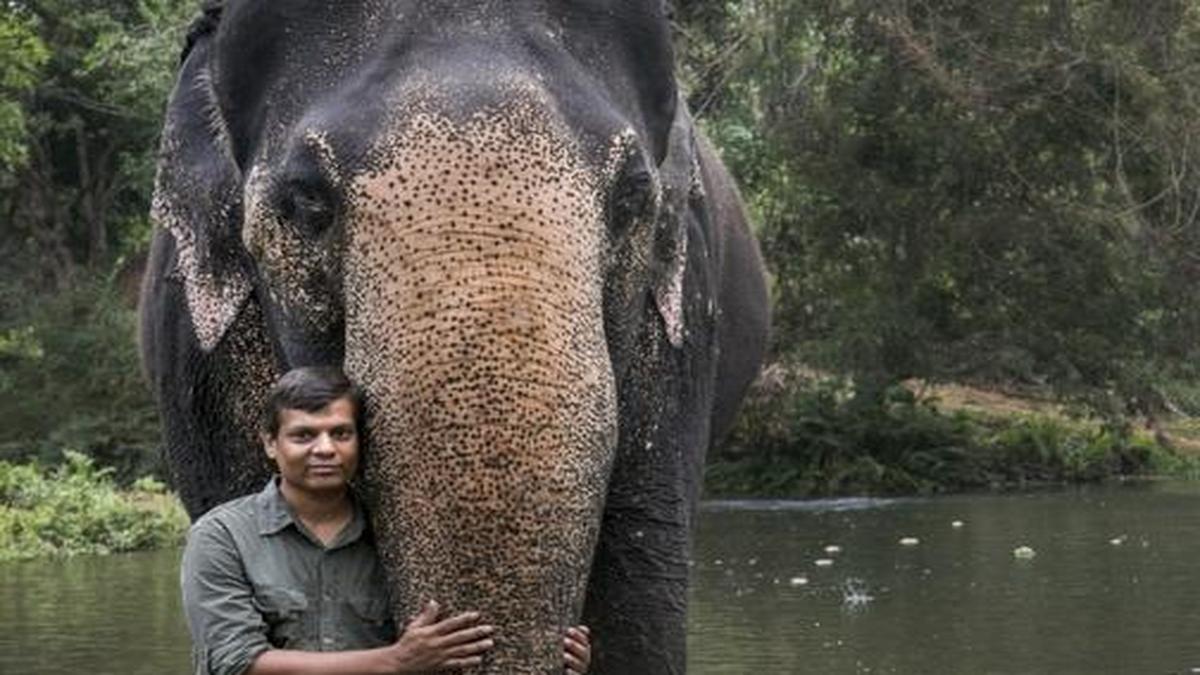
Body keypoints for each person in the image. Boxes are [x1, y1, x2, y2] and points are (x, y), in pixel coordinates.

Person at [181, 366, 591, 674]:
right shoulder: (222, 536)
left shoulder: (399, 533)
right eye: (304, 435)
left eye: (340, 434)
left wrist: (549, 650)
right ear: (271, 443)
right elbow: (239, 663)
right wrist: (395, 661)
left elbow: (457, 640)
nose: (325, 449)